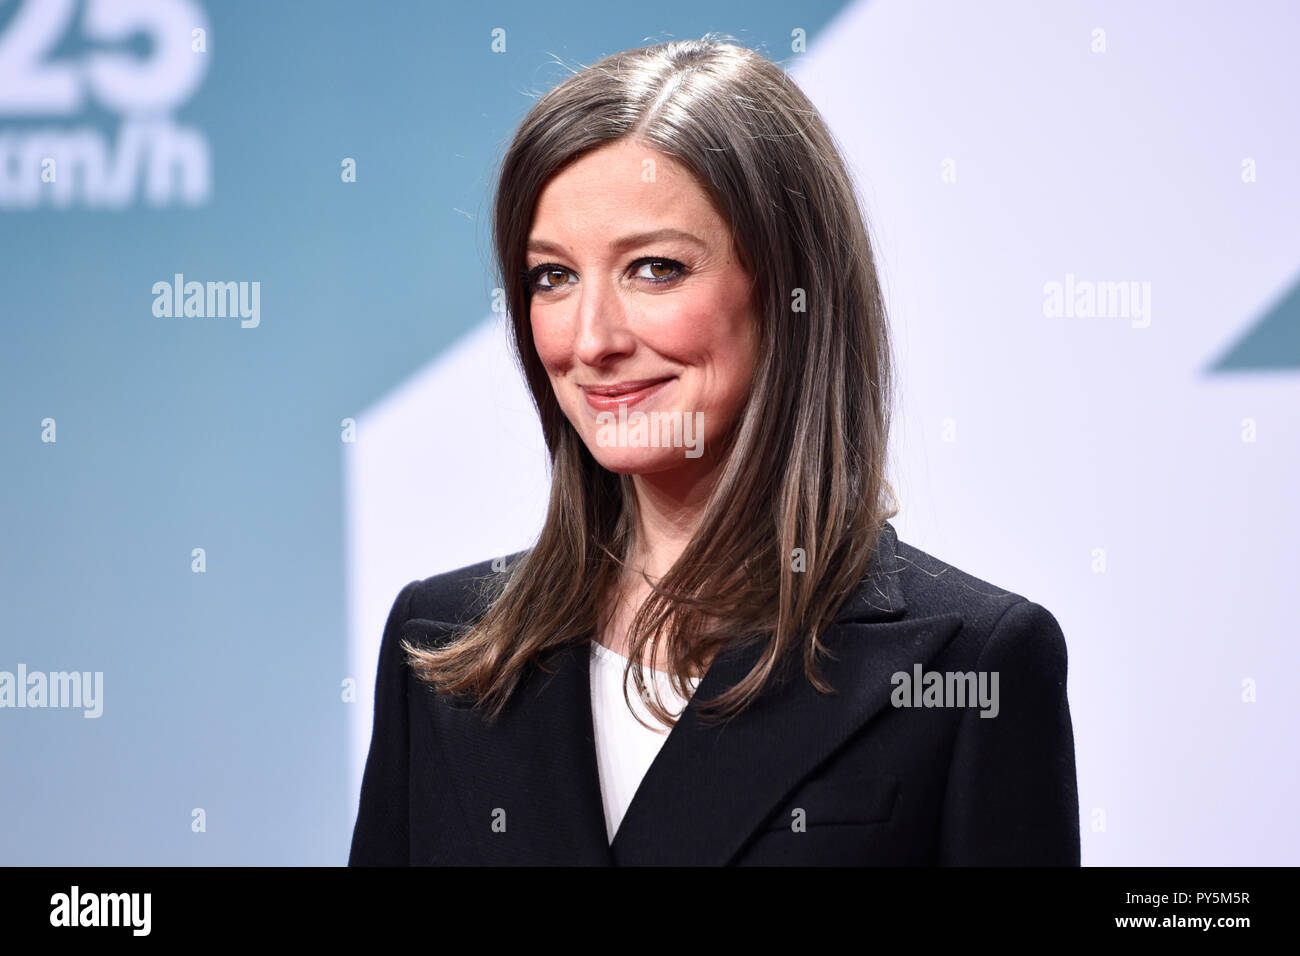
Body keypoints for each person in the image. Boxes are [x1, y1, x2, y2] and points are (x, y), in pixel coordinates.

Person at [348, 35, 1080, 866]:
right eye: (553, 276)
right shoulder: (442, 643)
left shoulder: (973, 660)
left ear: (792, 292)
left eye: (655, 269)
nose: (591, 340)